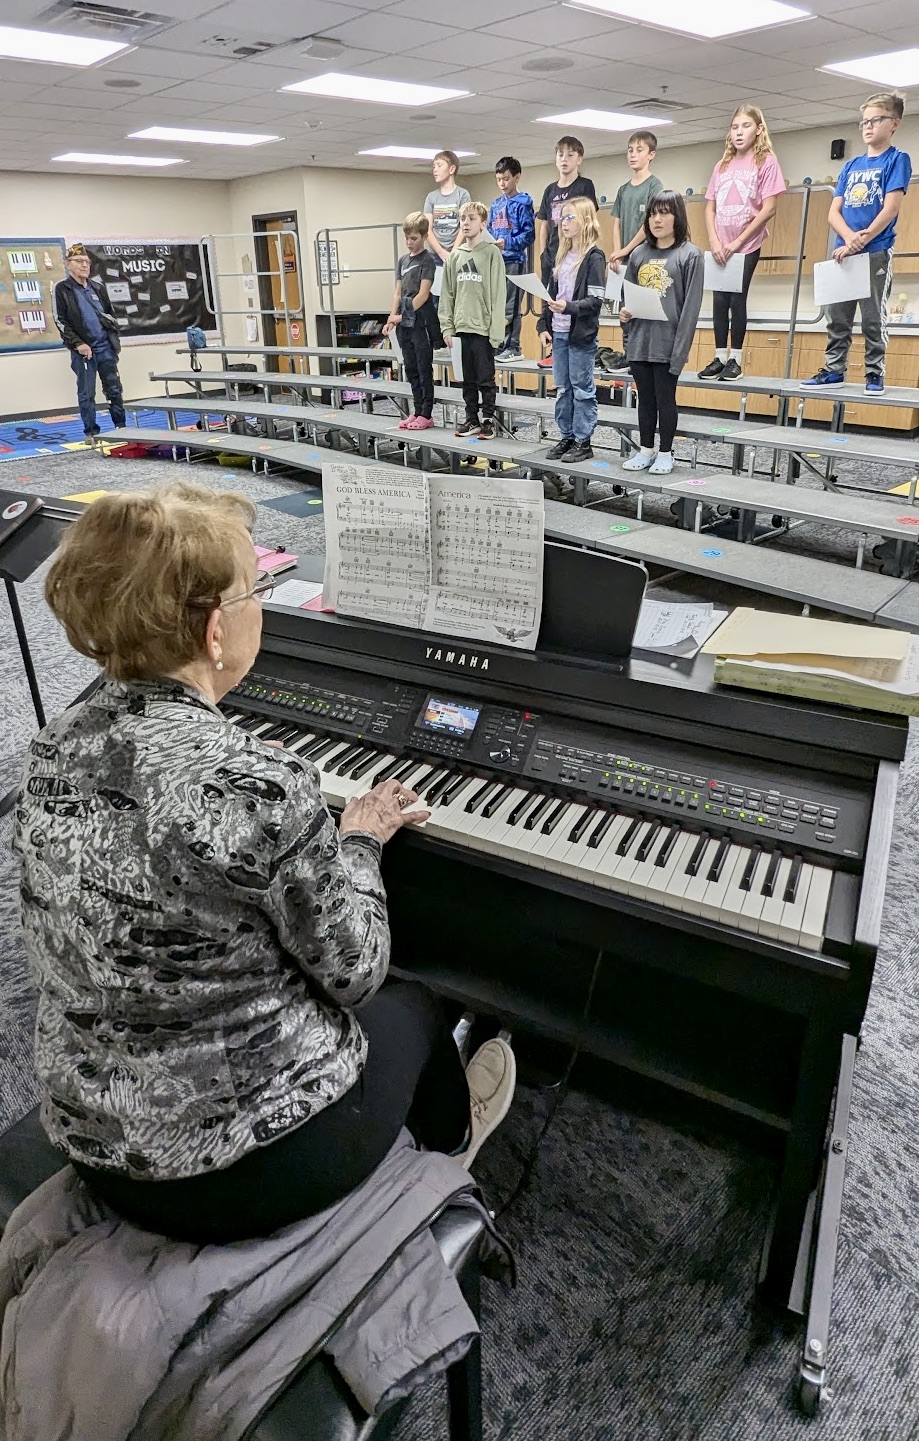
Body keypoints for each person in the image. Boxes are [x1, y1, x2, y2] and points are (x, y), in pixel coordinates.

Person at [13, 482, 516, 1245]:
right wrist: (359, 836)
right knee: (413, 1006)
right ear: (215, 629)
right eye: (257, 589)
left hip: (94, 1139)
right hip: (237, 1170)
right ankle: (449, 1148)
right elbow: (355, 973)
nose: (261, 605)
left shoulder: (54, 743)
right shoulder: (260, 785)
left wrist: (253, 789)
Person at [802, 91, 911, 396]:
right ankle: (834, 369)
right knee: (837, 317)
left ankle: (874, 373)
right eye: (864, 121)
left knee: (873, 317)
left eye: (876, 120)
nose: (868, 126)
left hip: (875, 250)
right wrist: (849, 239)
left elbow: (890, 208)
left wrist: (861, 240)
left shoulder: (897, 159)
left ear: (894, 123)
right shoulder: (851, 166)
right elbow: (833, 212)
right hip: (844, 252)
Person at [698, 106, 786, 382]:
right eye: (735, 127)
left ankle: (735, 358)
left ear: (758, 130)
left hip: (745, 244)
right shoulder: (721, 165)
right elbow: (710, 207)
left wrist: (736, 242)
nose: (739, 132)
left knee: (737, 297)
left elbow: (769, 208)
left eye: (745, 126)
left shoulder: (766, 161)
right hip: (720, 244)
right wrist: (714, 240)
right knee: (718, 299)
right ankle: (719, 357)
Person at [619, 192, 704, 476]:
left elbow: (690, 308)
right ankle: (646, 450)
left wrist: (679, 352)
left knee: (665, 399)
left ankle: (666, 453)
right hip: (640, 341)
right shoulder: (638, 254)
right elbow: (627, 297)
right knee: (645, 399)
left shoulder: (690, 255)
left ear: (677, 217)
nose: (657, 219)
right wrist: (625, 317)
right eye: (653, 213)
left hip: (668, 343)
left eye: (664, 213)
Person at [537, 196, 607, 465]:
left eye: (569, 218)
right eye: (561, 218)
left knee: (581, 389)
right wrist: (543, 324)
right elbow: (550, 294)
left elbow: (595, 301)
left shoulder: (594, 258)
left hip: (580, 335)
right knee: (563, 389)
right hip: (559, 333)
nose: (563, 223)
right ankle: (566, 436)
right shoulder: (561, 255)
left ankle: (582, 440)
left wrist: (568, 307)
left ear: (585, 220)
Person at [439, 201, 506, 441]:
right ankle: (472, 418)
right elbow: (447, 295)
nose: (466, 223)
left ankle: (488, 419)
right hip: (461, 328)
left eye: (472, 218)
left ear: (483, 224)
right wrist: (447, 327)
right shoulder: (455, 257)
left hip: (483, 328)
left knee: (485, 378)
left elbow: (499, 294)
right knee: (466, 379)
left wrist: (496, 331)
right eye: (463, 219)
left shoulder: (491, 253)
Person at [51, 241, 126, 443]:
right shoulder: (62, 289)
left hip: (106, 349)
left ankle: (121, 427)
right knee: (87, 393)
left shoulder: (98, 288)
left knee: (114, 390)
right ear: (68, 264)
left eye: (87, 261)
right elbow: (60, 320)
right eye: (79, 261)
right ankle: (91, 432)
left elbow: (110, 315)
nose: (84, 265)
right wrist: (78, 344)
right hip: (84, 351)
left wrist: (113, 337)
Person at [536, 136, 598, 366]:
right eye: (560, 154)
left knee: (572, 298)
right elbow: (544, 224)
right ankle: (554, 347)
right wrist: (543, 253)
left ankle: (573, 348)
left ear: (579, 159)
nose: (564, 159)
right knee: (550, 297)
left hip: (574, 253)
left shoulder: (584, 185)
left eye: (570, 155)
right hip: (553, 255)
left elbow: (589, 217)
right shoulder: (550, 190)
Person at [383, 211, 443, 431]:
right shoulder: (402, 261)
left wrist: (402, 316)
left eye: (414, 238)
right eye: (407, 238)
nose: (409, 242)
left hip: (421, 320)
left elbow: (423, 295)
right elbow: (397, 292)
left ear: (424, 236)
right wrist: (392, 318)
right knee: (411, 368)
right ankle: (416, 410)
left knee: (423, 367)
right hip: (404, 323)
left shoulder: (427, 260)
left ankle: (426, 414)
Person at [488, 156, 536, 362]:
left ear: (517, 177)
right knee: (497, 306)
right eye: (499, 179)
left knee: (511, 306)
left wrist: (507, 243)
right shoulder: (495, 204)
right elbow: (489, 230)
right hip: (496, 262)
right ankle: (499, 344)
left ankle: (513, 346)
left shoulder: (523, 203)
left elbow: (529, 235)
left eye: (506, 179)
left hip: (514, 260)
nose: (502, 183)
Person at [423, 150, 472, 266]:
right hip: (435, 255)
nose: (435, 170)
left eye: (439, 165)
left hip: (458, 253)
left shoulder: (463, 195)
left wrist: (453, 252)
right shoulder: (431, 197)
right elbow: (427, 229)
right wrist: (441, 252)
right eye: (434, 166)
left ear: (451, 169)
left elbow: (464, 226)